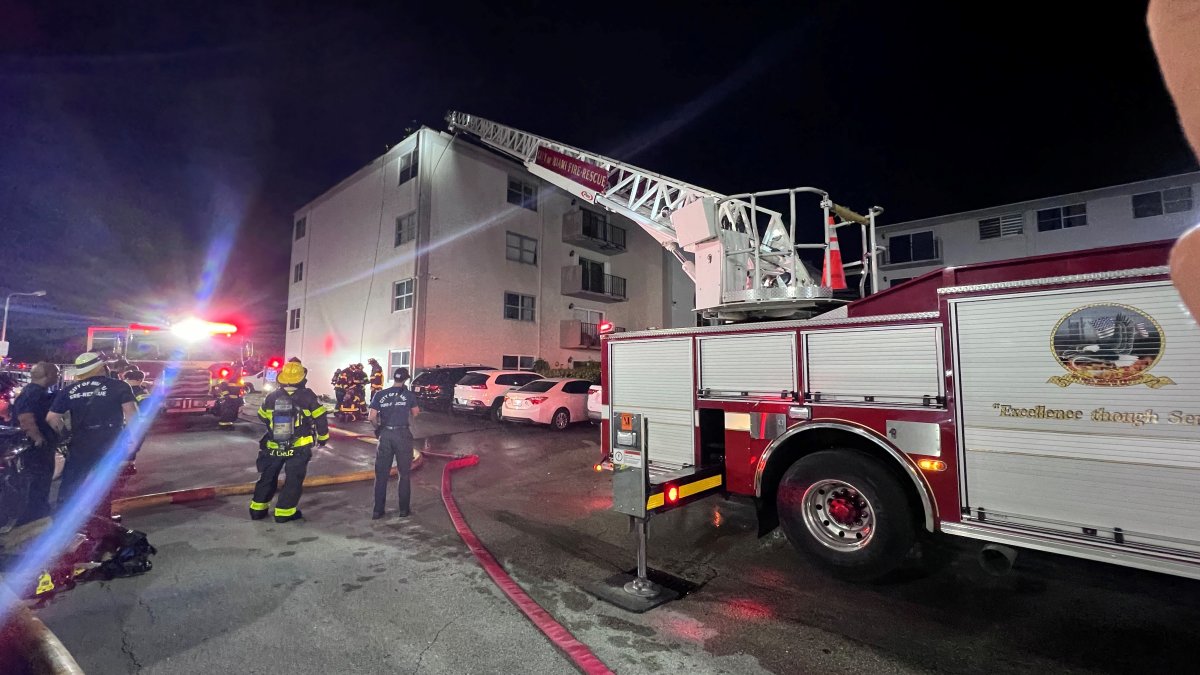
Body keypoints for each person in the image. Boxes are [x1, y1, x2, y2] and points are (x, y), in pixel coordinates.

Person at [46, 352, 138, 517]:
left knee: (73, 480)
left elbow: (52, 418)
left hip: (80, 441)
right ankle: (101, 519)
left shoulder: (68, 390)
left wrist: (65, 436)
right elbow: (132, 415)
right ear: (102, 367)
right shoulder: (119, 386)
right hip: (110, 441)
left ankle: (63, 518)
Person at [250, 361, 328, 523]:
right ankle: (284, 513)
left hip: (273, 446)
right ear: (302, 378)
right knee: (293, 479)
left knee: (268, 477)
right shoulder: (308, 396)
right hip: (299, 448)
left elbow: (262, 416)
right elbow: (320, 417)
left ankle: (257, 510)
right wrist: (323, 437)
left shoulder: (272, 396)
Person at [368, 367, 420, 519]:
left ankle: (378, 510)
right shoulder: (408, 395)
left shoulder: (380, 394)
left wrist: (378, 430)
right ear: (406, 379)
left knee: (381, 475)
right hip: (402, 435)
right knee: (404, 474)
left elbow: (371, 417)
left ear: (393, 378)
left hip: (385, 435)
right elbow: (416, 413)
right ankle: (403, 510)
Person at [12, 362, 60, 522]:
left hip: (36, 444)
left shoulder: (35, 391)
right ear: (48, 375)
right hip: (34, 446)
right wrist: (37, 438)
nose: (58, 376)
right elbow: (25, 417)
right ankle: (34, 514)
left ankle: (38, 510)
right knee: (37, 479)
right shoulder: (34, 393)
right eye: (56, 373)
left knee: (41, 479)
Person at [120, 369, 152, 475]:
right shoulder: (142, 392)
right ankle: (128, 466)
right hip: (138, 425)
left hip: (119, 424)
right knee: (132, 446)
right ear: (140, 379)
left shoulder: (120, 391)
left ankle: (126, 466)